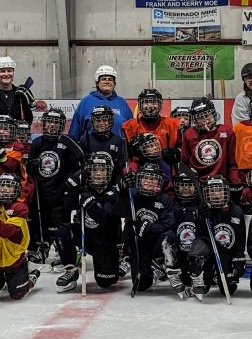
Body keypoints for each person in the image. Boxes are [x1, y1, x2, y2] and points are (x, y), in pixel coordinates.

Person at [56, 152, 123, 292]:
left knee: (106, 281)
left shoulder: (114, 190)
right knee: (62, 231)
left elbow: (105, 219)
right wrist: (73, 188)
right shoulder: (82, 185)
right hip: (84, 236)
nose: (98, 173)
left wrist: (90, 203)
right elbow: (66, 208)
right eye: (94, 169)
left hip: (105, 240)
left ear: (109, 172)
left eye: (102, 170)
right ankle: (71, 269)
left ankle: (114, 260)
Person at [27, 108, 84, 272]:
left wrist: (70, 185)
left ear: (61, 126)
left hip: (61, 192)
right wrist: (31, 166)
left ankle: (63, 251)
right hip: (42, 191)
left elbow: (77, 164)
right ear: (43, 124)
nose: (51, 125)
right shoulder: (37, 143)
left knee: (60, 223)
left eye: (55, 123)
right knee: (41, 221)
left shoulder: (67, 142)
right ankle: (42, 247)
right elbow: (29, 167)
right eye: (48, 122)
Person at [0, 173, 41, 301]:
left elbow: (7, 231)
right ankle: (0, 279)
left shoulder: (20, 208)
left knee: (17, 295)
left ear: (16, 189)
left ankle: (30, 278)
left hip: (14, 258)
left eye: (9, 186)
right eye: (2, 185)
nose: (5, 188)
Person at [118, 162, 174, 293]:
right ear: (139, 179)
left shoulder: (164, 199)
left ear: (159, 182)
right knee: (141, 285)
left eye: (153, 179)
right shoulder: (132, 194)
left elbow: (168, 223)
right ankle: (132, 259)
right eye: (146, 178)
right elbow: (119, 212)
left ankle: (161, 263)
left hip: (155, 242)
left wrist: (147, 228)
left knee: (169, 236)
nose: (149, 181)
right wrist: (124, 191)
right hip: (138, 244)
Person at [189, 175, 245, 301]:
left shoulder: (236, 211)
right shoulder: (202, 211)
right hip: (209, 255)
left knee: (229, 289)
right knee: (199, 247)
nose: (215, 194)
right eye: (212, 191)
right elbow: (199, 238)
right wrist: (202, 218)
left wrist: (238, 259)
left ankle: (217, 275)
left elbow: (240, 239)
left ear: (226, 191)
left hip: (226, 256)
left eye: (219, 190)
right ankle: (201, 273)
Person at [161, 167, 203, 300]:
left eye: (190, 185)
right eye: (182, 185)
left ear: (196, 186)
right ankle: (170, 269)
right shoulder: (171, 205)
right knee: (167, 237)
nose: (186, 188)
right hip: (179, 257)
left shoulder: (203, 207)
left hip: (195, 257)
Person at [68, 65, 133, 142]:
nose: (107, 82)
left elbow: (131, 130)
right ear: (97, 82)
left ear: (114, 83)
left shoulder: (122, 102)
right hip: (91, 148)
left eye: (110, 79)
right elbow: (74, 132)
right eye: (103, 79)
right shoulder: (86, 102)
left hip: (117, 148)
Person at [179, 98, 236, 180]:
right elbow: (184, 162)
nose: (205, 120)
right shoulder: (189, 134)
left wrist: (234, 181)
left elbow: (232, 163)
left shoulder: (226, 131)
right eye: (201, 117)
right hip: (197, 181)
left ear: (213, 114)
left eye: (207, 115)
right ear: (195, 120)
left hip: (220, 182)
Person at [122, 89, 181, 167]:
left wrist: (175, 153)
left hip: (167, 170)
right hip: (139, 171)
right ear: (140, 105)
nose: (150, 106)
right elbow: (126, 156)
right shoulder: (129, 126)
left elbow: (184, 149)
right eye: (146, 102)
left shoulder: (174, 124)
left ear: (160, 105)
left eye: (154, 102)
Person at [80, 105, 126, 183]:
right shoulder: (85, 139)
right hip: (90, 182)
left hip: (112, 182)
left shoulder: (117, 140)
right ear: (93, 122)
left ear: (110, 121)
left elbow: (121, 165)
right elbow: (81, 164)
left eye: (104, 120)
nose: (101, 123)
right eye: (98, 120)